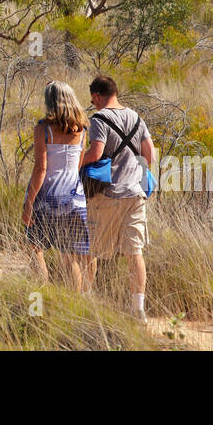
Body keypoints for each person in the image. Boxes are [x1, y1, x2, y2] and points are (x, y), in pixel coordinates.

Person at [81, 75, 155, 320]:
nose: (94, 105)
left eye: (93, 101)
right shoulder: (136, 117)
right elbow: (149, 156)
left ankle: (86, 302)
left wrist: (76, 161)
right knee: (134, 253)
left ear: (98, 96)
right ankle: (138, 310)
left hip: (108, 194)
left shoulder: (99, 118)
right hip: (135, 194)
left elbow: (96, 151)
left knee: (90, 250)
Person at [22, 81, 91, 291]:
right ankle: (74, 305)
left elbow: (41, 169)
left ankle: (42, 297)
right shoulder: (81, 129)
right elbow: (78, 166)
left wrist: (28, 203)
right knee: (70, 256)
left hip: (49, 195)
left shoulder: (43, 128)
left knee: (34, 248)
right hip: (76, 196)